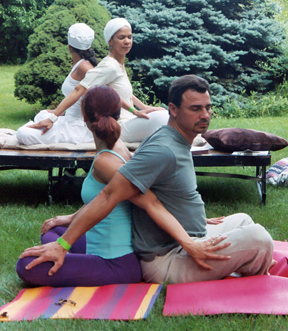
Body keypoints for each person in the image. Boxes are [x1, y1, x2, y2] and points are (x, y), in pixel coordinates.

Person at [17, 75, 274, 285]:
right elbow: (110, 195)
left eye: (207, 107)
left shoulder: (171, 138)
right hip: (168, 256)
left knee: (242, 219)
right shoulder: (162, 149)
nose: (205, 115)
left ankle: (240, 266)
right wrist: (63, 244)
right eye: (195, 109)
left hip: (187, 236)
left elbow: (151, 191)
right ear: (172, 110)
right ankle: (251, 281)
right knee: (259, 237)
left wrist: (190, 215)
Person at [19, 17, 169, 144]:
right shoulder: (109, 66)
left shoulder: (117, 64)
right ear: (110, 41)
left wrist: (143, 108)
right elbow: (80, 89)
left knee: (162, 114)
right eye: (121, 37)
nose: (127, 41)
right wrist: (53, 117)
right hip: (117, 126)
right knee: (163, 117)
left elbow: (117, 93)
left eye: (129, 37)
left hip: (123, 121)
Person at [16, 23, 97, 145]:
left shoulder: (84, 67)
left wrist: (53, 118)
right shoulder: (81, 65)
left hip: (77, 130)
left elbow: (90, 99)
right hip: (70, 121)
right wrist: (58, 112)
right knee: (42, 114)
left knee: (22, 133)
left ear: (69, 47)